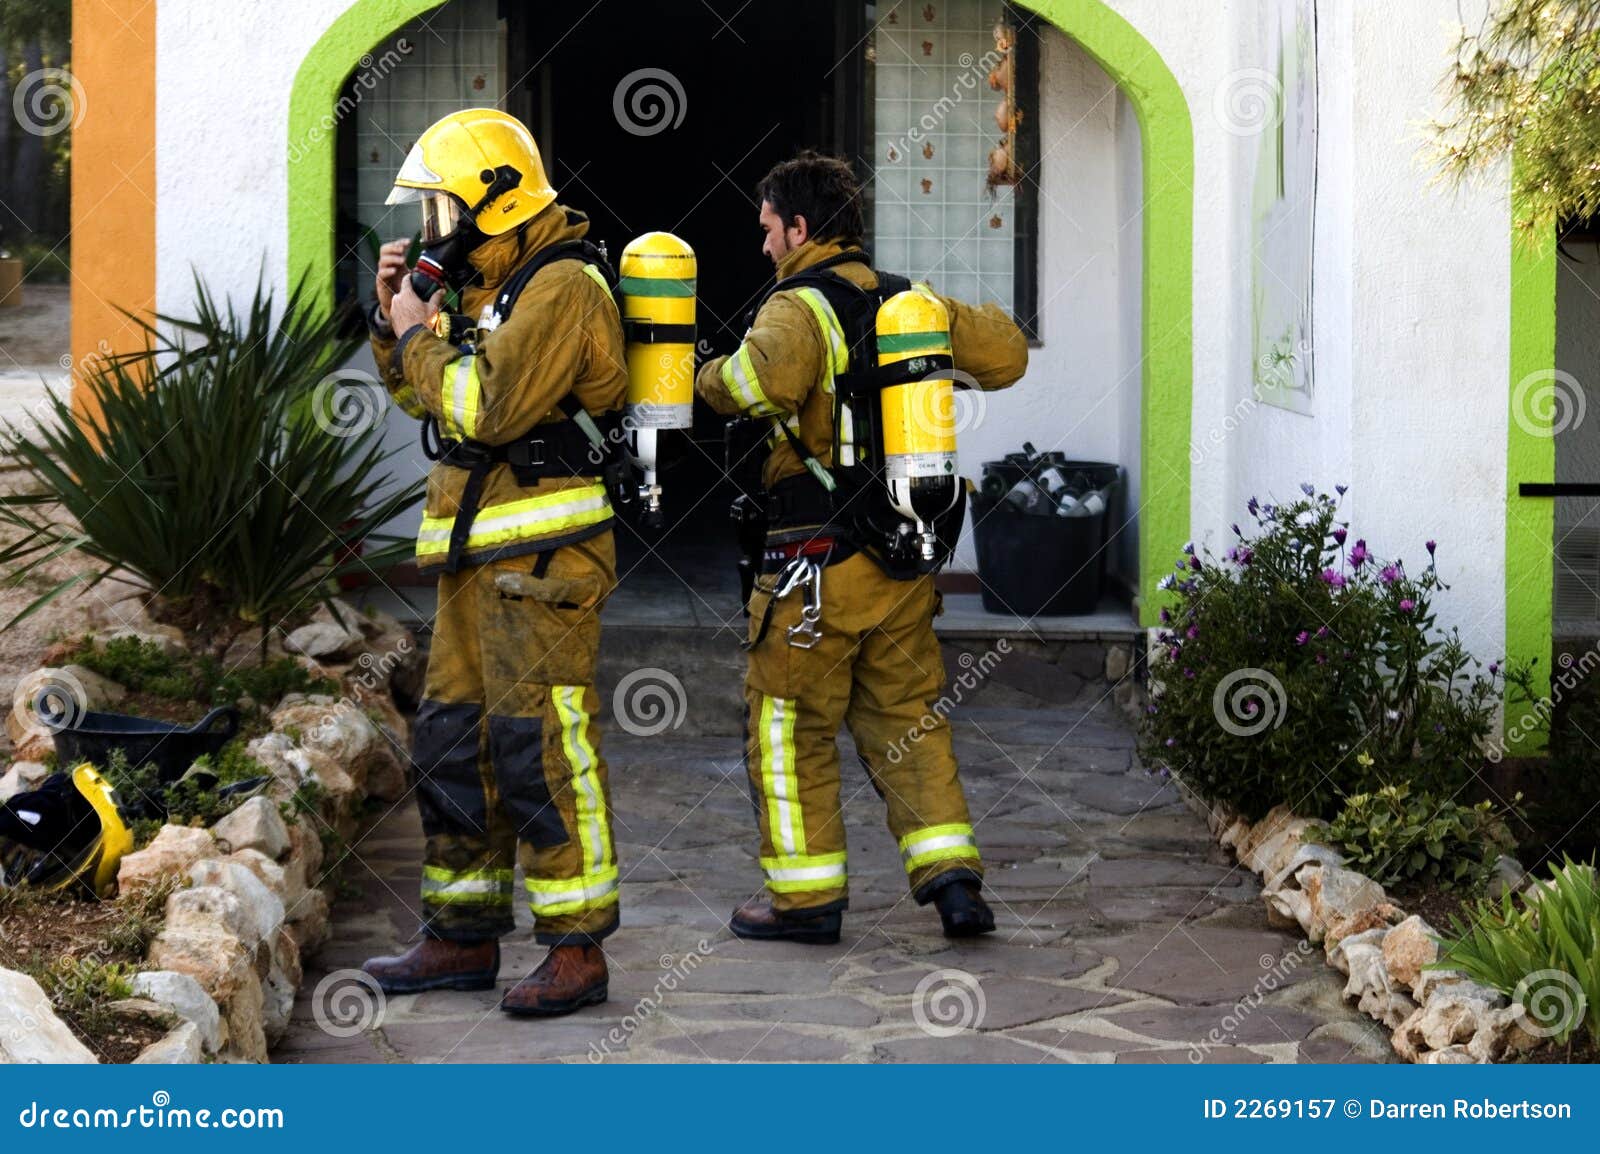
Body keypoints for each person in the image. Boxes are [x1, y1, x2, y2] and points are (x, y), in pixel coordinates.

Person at [695, 152, 1029, 944]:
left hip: (811, 568)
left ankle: (803, 901)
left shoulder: (795, 308)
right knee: (908, 718)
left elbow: (758, 385)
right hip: (903, 558)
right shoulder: (908, 303)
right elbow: (1008, 355)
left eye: (769, 230)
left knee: (789, 725)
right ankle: (953, 884)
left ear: (800, 229)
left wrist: (703, 375)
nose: (765, 247)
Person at [361, 108, 625, 1017]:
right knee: (450, 744)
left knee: (538, 749)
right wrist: (394, 318)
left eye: (439, 210)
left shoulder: (562, 287)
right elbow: (425, 400)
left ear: (492, 200)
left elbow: (488, 406)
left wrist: (419, 334)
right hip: (477, 556)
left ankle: (577, 946)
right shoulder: (493, 285)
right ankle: (459, 935)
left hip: (546, 564)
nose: (432, 231)